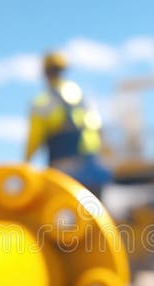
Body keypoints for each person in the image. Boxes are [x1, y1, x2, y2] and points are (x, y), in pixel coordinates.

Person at [25, 52, 111, 198]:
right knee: (95, 213)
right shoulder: (81, 96)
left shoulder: (42, 102)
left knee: (61, 212)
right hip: (91, 163)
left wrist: (25, 164)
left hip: (63, 168)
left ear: (45, 73)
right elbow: (98, 127)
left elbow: (34, 138)